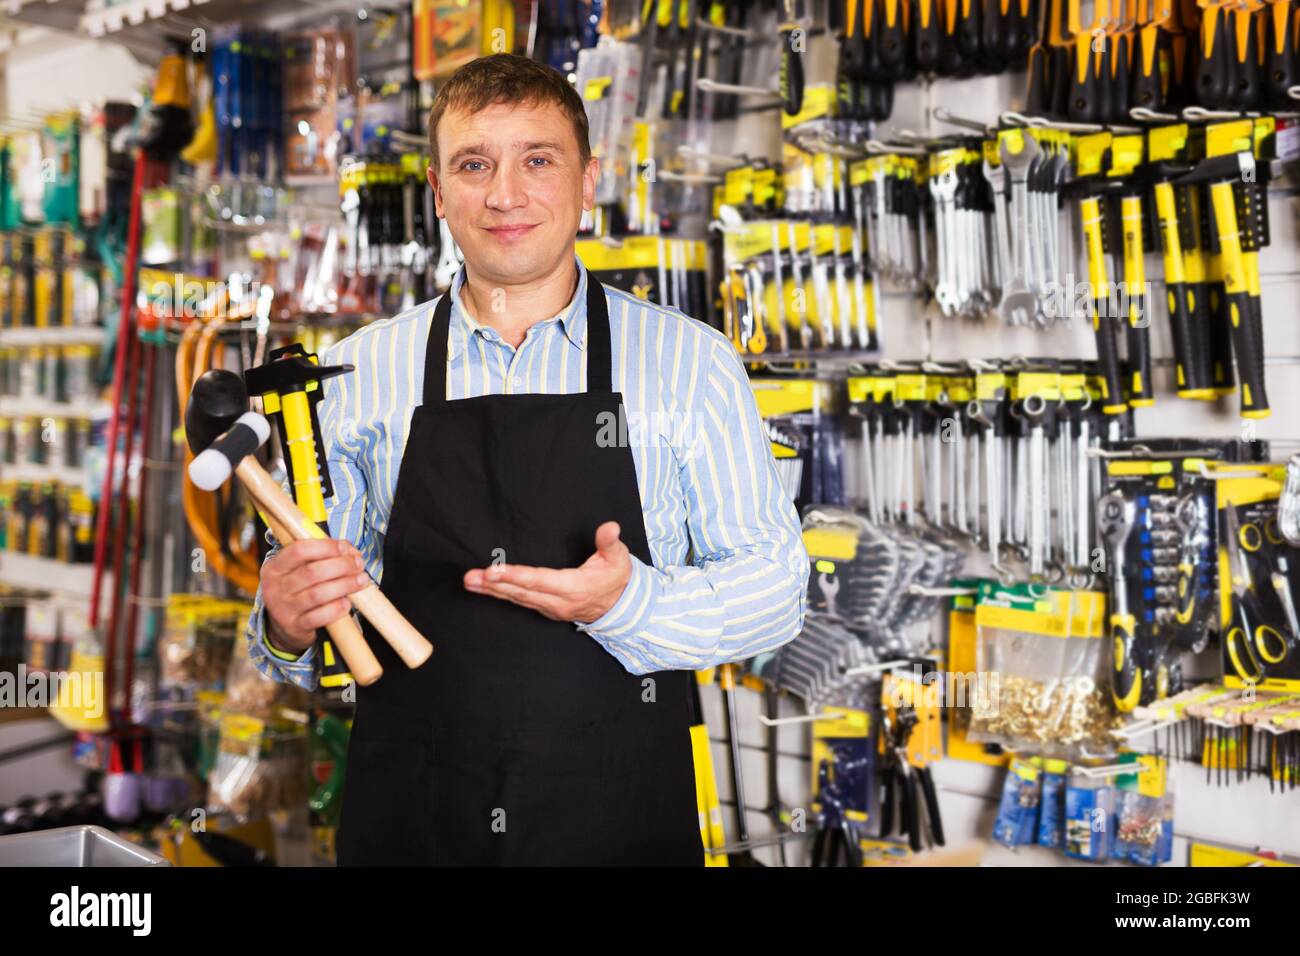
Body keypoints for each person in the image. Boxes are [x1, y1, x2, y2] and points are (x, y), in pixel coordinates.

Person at [248, 54, 808, 865]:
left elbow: (777, 593)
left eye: (537, 160)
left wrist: (628, 607)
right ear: (440, 194)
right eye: (474, 164)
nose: (504, 194)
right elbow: (328, 637)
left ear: (587, 182)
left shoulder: (690, 363)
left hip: (617, 820)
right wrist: (289, 624)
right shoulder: (359, 374)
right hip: (415, 820)